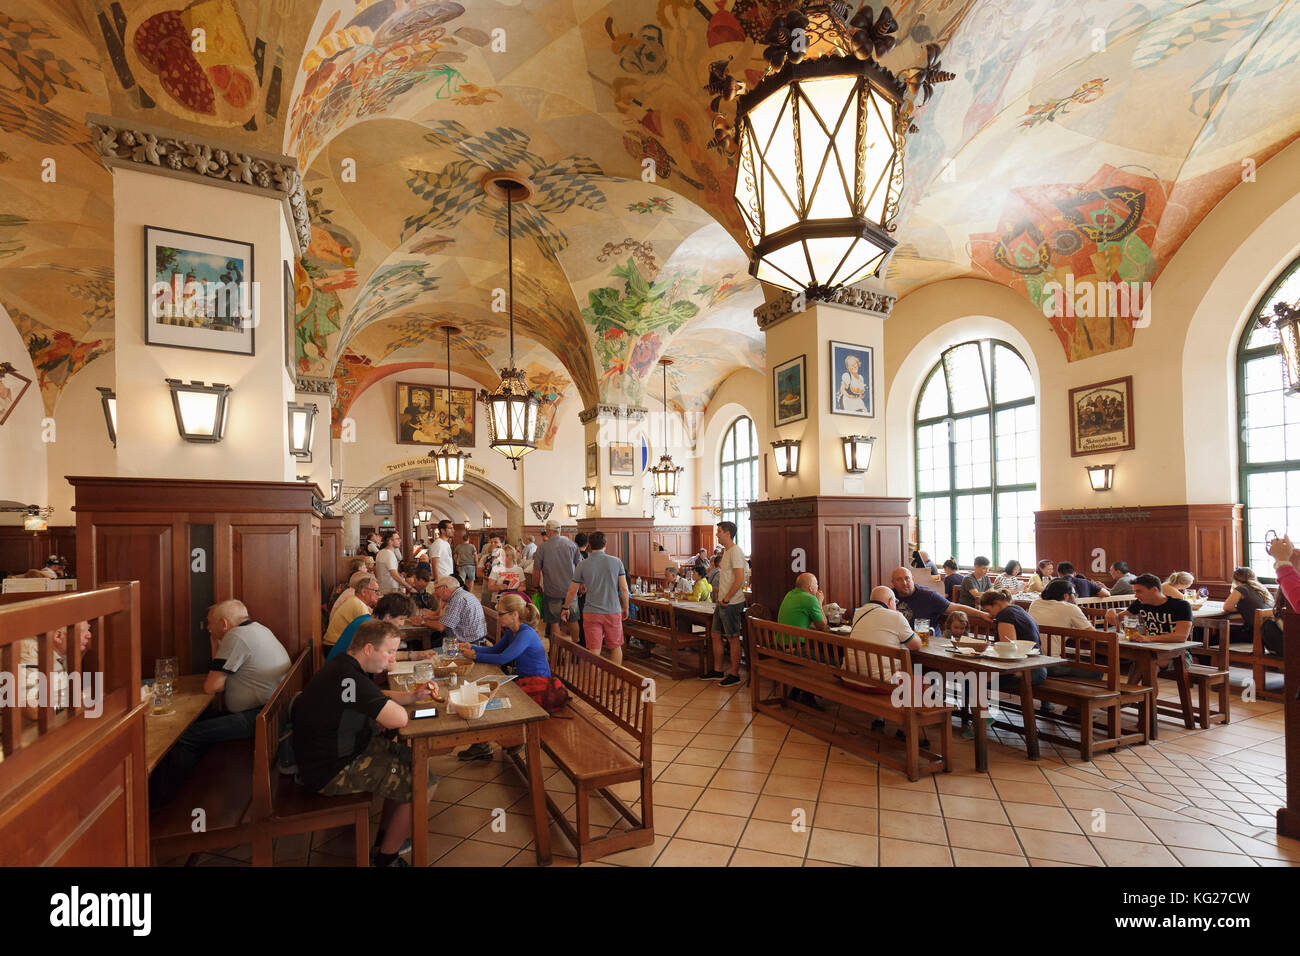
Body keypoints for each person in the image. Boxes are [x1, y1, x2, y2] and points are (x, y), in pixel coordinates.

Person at [293, 620, 437, 867]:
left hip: (333, 755)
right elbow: (399, 719)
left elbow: (374, 696)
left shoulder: (343, 665)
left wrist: (412, 696)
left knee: (409, 762)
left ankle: (386, 837)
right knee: (424, 780)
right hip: (331, 770)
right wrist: (385, 713)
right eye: (389, 652)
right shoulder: (350, 677)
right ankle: (386, 860)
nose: (392, 660)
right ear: (369, 649)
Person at [149, 600, 291, 810]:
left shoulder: (237, 637)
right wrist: (215, 642)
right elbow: (218, 683)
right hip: (272, 712)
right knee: (197, 724)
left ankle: (162, 804)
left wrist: (216, 642)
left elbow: (212, 686)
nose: (208, 628)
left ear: (224, 624)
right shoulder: (257, 629)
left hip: (259, 718)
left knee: (185, 737)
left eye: (210, 623)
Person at [456, 594, 552, 762]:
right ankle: (486, 743)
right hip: (523, 679)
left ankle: (509, 739)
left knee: (491, 698)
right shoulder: (512, 632)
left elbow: (503, 658)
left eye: (501, 614)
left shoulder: (525, 633)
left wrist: (475, 656)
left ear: (515, 614)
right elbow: (495, 650)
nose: (498, 617)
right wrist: (473, 648)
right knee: (486, 694)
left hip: (538, 685)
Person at [563, 530, 629, 665]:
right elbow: (624, 589)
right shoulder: (617, 562)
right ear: (606, 543)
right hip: (612, 610)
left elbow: (572, 590)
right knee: (615, 647)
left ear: (589, 545)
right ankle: (616, 683)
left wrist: (565, 607)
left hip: (591, 612)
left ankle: (592, 684)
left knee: (593, 649)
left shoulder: (582, 564)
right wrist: (626, 607)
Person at [702, 521, 747, 687]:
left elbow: (740, 579)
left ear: (727, 533)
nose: (716, 534)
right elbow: (728, 579)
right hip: (722, 601)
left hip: (732, 602)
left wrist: (727, 597)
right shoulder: (725, 552)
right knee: (715, 634)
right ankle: (718, 670)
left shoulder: (735, 551)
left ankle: (734, 674)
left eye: (719, 531)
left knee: (733, 637)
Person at [328, 592, 435, 661]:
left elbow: (384, 654)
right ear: (388, 616)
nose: (402, 624)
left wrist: (418, 655)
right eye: (401, 619)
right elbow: (389, 663)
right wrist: (416, 655)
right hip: (340, 682)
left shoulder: (367, 619)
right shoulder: (370, 627)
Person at [19, 619, 91, 720]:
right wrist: (81, 695)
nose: (89, 635)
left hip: (50, 724)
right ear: (58, 636)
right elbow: (32, 710)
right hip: (25, 732)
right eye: (83, 631)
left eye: (88, 629)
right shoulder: (29, 651)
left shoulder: (62, 649)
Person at [777, 573, 828, 706]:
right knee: (830, 660)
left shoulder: (789, 594)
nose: (818, 587)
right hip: (794, 650)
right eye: (816, 584)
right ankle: (807, 696)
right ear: (811, 587)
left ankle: (797, 691)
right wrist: (820, 603)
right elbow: (823, 625)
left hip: (780, 647)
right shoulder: (810, 599)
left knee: (816, 651)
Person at [889, 566, 991, 632]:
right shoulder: (889, 595)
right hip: (901, 643)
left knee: (917, 665)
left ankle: (917, 667)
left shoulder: (928, 595)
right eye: (899, 580)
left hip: (926, 645)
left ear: (913, 579)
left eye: (907, 578)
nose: (905, 583)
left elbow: (954, 607)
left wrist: (981, 614)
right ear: (893, 583)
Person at [1105, 574, 1193, 640]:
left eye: (1139, 591)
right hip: (1151, 647)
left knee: (1151, 660)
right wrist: (1110, 611)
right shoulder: (1140, 603)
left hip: (1179, 652)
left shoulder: (1181, 605)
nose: (1136, 596)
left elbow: (1181, 637)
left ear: (1154, 590)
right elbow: (1118, 619)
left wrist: (1148, 638)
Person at [534, 519, 580, 642]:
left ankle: (556, 652)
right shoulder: (572, 545)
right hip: (571, 590)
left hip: (552, 591)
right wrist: (582, 585)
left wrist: (536, 586)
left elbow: (536, 570)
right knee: (573, 619)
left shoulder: (542, 548)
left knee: (554, 621)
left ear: (548, 531)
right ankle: (577, 649)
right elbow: (580, 567)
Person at [324, 572, 380, 653]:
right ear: (364, 592)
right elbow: (371, 632)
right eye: (375, 591)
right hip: (335, 647)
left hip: (335, 645)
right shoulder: (357, 604)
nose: (378, 594)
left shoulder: (356, 600)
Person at [1222, 566, 1273, 647]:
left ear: (1235, 579)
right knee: (1228, 630)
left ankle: (1204, 659)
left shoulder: (1242, 589)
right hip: (1266, 633)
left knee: (1217, 636)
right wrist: (1245, 609)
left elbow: (1227, 607)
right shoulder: (1261, 588)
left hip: (1253, 634)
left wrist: (1241, 609)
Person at [427, 575, 487, 644]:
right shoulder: (462, 595)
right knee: (434, 637)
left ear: (444, 588)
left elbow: (440, 627)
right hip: (474, 638)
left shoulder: (457, 599)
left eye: (436, 589)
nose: (435, 592)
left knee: (431, 643)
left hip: (469, 643)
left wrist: (422, 622)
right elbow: (447, 621)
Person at [1028, 577, 1094, 630]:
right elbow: (1092, 633)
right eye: (1074, 594)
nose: (1076, 597)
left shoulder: (1035, 603)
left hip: (1032, 646)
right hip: (1054, 647)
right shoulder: (1071, 608)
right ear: (1066, 596)